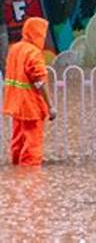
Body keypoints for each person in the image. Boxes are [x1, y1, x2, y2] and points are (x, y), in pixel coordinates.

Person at [3, 17, 57, 166]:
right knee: (32, 145)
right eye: (43, 34)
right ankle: (30, 181)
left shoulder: (14, 49)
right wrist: (50, 106)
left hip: (15, 104)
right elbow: (40, 82)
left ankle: (16, 176)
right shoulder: (34, 53)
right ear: (37, 33)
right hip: (31, 107)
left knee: (18, 141)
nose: (44, 37)